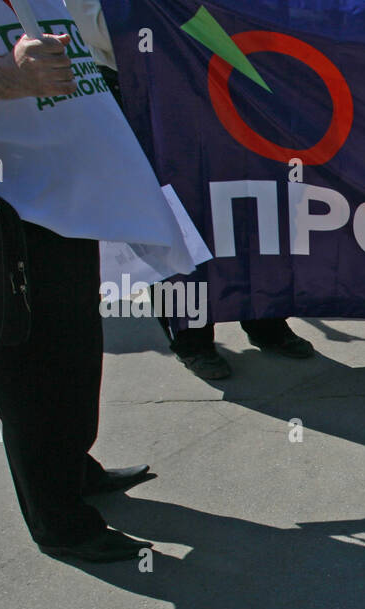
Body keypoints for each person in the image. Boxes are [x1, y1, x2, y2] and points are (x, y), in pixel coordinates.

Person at [0, 15, 156, 562]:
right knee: (29, 361)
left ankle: (72, 466)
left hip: (58, 186)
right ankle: (58, 519)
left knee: (75, 341)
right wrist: (14, 77)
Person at [65, 0, 317, 381]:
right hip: (150, 96)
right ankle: (191, 338)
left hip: (228, 86)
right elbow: (99, 28)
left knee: (253, 209)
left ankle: (266, 320)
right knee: (175, 219)